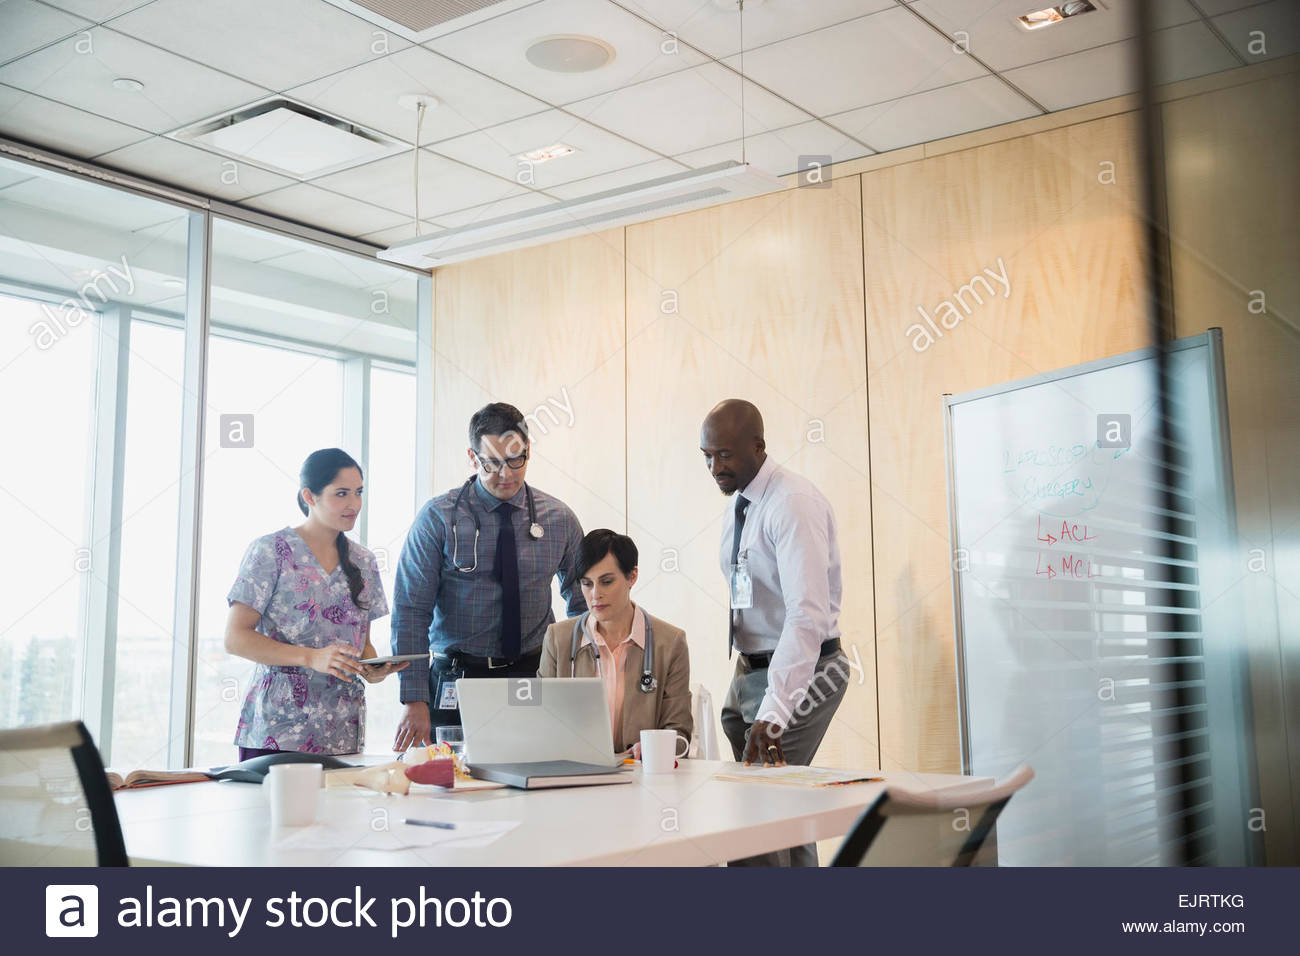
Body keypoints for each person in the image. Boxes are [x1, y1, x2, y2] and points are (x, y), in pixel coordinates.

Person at [701, 399, 851, 867]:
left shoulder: (792, 503)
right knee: (783, 806)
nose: (714, 467)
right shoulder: (741, 501)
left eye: (724, 455)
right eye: (706, 456)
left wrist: (774, 712)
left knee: (755, 807)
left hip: (806, 669)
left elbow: (806, 618)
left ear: (758, 446)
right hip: (753, 667)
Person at [391, 402, 587, 751]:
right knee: (451, 792)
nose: (506, 474)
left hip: (532, 673)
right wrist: (413, 698)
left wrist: (583, 682)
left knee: (533, 785)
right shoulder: (438, 518)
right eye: (492, 463)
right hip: (457, 678)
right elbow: (410, 611)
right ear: (472, 456)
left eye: (516, 460)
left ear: (528, 451)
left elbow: (583, 605)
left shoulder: (558, 519)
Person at [225, 448, 407, 760]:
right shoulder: (271, 551)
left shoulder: (364, 561)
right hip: (277, 731)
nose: (354, 504)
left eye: (358, 492)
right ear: (309, 496)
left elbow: (361, 645)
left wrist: (372, 669)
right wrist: (310, 658)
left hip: (342, 731)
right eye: (341, 494)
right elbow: (235, 638)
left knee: (338, 811)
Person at [539, 529, 692, 756]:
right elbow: (540, 724)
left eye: (607, 582)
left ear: (632, 577)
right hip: (575, 774)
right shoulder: (557, 639)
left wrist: (655, 749)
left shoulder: (670, 643)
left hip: (641, 777)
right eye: (587, 583)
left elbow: (680, 735)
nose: (595, 595)